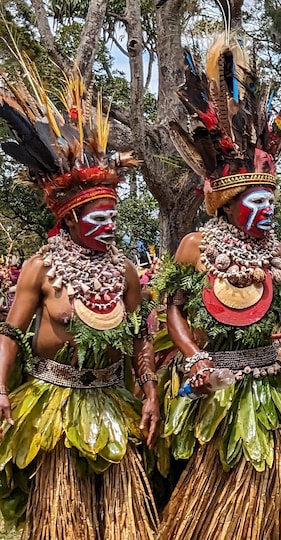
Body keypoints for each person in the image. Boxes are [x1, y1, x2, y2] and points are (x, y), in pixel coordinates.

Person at [154, 32, 281, 539]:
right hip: (209, 385)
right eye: (257, 199)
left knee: (267, 504)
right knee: (201, 486)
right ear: (226, 204)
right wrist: (192, 356)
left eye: (271, 197)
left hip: (266, 385)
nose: (268, 207)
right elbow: (174, 309)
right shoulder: (195, 247)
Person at [0, 65, 159, 538]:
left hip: (112, 400)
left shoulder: (125, 269)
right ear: (70, 220)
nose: (109, 225)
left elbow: (139, 339)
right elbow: (9, 332)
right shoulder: (41, 268)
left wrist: (149, 390)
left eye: (113, 216)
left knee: (121, 521)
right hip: (57, 405)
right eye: (98, 217)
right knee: (63, 522)